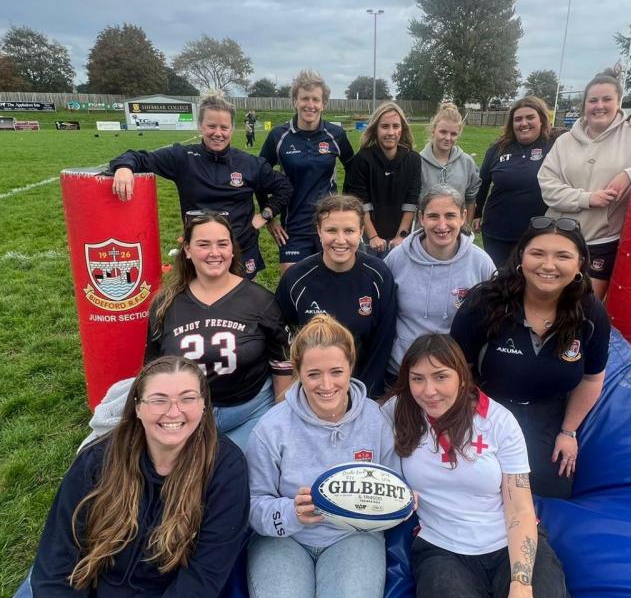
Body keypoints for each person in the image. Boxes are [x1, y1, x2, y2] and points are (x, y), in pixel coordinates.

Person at [31, 356, 250, 598]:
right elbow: (57, 560)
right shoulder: (97, 461)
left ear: (203, 405)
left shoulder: (225, 468)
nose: (174, 412)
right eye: (159, 400)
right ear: (137, 407)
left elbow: (206, 574)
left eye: (187, 399)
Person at [383, 334, 576, 598]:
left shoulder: (498, 421)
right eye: (417, 379)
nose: (428, 391)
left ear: (461, 376)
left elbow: (520, 509)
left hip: (507, 544)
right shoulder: (397, 412)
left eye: (440, 377)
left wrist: (521, 587)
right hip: (442, 549)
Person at [246, 314, 396, 598]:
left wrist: (400, 501)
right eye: (313, 374)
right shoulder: (272, 428)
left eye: (336, 372)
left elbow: (393, 481)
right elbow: (252, 505)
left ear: (350, 368)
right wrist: (289, 512)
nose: (326, 384)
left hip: (353, 537)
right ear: (298, 372)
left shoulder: (374, 420)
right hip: (283, 541)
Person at [449, 218, 610, 500]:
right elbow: (457, 369)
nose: (549, 265)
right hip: (487, 411)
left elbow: (592, 377)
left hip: (548, 415)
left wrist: (568, 433)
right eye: (538, 253)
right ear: (521, 256)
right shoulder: (485, 302)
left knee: (550, 495)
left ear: (579, 264)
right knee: (481, 488)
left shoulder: (590, 312)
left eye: (563, 256)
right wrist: (464, 420)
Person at [144, 212, 294, 447]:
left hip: (248, 411)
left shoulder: (260, 300)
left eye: (222, 244)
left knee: (249, 478)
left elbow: (283, 362)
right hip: (183, 415)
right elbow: (153, 368)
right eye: (203, 245)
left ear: (232, 250)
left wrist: (281, 417)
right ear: (187, 250)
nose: (215, 253)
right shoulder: (165, 304)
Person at [538, 69, 631, 299]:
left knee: (585, 308)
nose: (599, 105)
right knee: (550, 301)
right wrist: (586, 199)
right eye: (593, 100)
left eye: (607, 99)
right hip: (560, 237)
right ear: (584, 105)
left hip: (602, 242)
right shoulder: (565, 141)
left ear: (619, 103)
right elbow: (547, 186)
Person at [109, 93, 293, 279]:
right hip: (200, 255)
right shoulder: (182, 158)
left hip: (241, 251)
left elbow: (285, 187)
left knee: (239, 307)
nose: (218, 133)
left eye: (224, 127)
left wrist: (265, 215)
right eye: (211, 126)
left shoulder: (250, 163)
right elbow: (138, 157)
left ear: (232, 129)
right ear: (200, 126)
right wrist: (124, 167)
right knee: (201, 305)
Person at [276, 194, 397, 397]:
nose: (340, 240)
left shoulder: (378, 275)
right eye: (331, 230)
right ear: (319, 231)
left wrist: (365, 396)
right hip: (313, 390)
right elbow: (282, 340)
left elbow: (382, 343)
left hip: (364, 390)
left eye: (349, 231)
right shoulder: (296, 278)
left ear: (360, 232)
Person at [383, 186, 495, 382]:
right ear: (421, 217)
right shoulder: (397, 259)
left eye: (450, 216)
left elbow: (494, 320)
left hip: (455, 372)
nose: (442, 225)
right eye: (433, 216)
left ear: (463, 216)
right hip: (403, 371)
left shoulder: (481, 262)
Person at [259, 70, 355, 273]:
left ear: (323, 104)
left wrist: (346, 206)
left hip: (330, 226)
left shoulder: (336, 135)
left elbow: (354, 169)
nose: (310, 105)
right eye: (304, 98)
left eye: (315, 99)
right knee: (293, 287)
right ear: (295, 101)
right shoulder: (279, 136)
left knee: (332, 285)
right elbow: (259, 176)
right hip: (292, 228)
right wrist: (269, 218)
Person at [471, 96, 555, 270]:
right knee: (499, 281)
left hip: (538, 233)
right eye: (518, 119)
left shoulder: (554, 145)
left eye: (530, 117)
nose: (523, 123)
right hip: (497, 231)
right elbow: (483, 182)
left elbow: (585, 131)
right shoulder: (498, 148)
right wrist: (477, 213)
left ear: (541, 120)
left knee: (530, 281)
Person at [343, 102, 421, 257]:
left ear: (402, 129)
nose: (391, 132)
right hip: (368, 235)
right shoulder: (362, 160)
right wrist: (373, 237)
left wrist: (401, 236)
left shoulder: (413, 159)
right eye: (385, 126)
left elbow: (411, 202)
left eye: (395, 126)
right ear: (375, 130)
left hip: (399, 235)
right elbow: (360, 203)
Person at [419, 103, 480, 223]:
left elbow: (470, 199)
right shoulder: (417, 162)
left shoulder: (467, 163)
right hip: (426, 232)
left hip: (455, 232)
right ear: (433, 131)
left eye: (453, 134)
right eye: (443, 132)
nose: (448, 138)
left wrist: (466, 227)